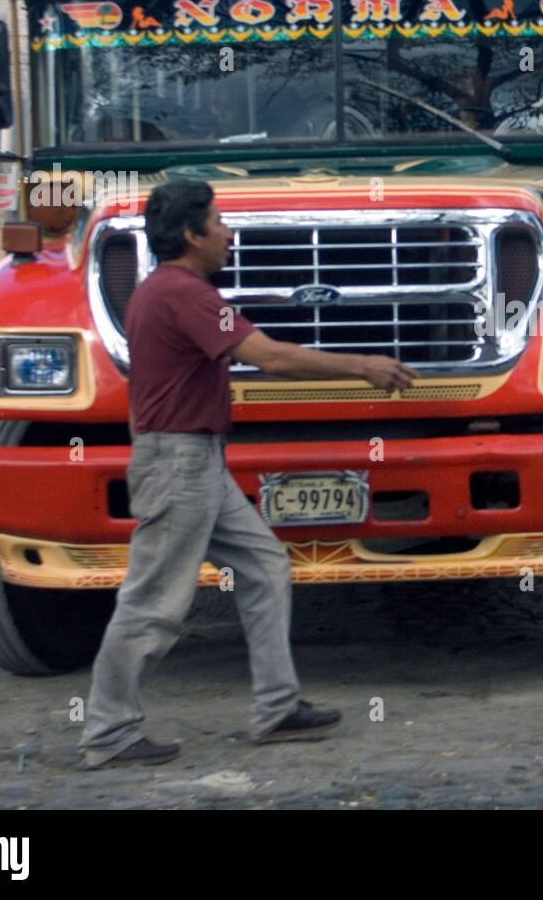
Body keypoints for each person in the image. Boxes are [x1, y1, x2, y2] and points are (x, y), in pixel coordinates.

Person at [79, 179, 418, 769]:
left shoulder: (160, 291)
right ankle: (108, 732)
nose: (229, 233)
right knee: (153, 602)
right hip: (181, 464)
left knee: (263, 565)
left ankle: (277, 707)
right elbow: (273, 356)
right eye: (218, 222)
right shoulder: (187, 295)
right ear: (191, 235)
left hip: (190, 460)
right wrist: (363, 365)